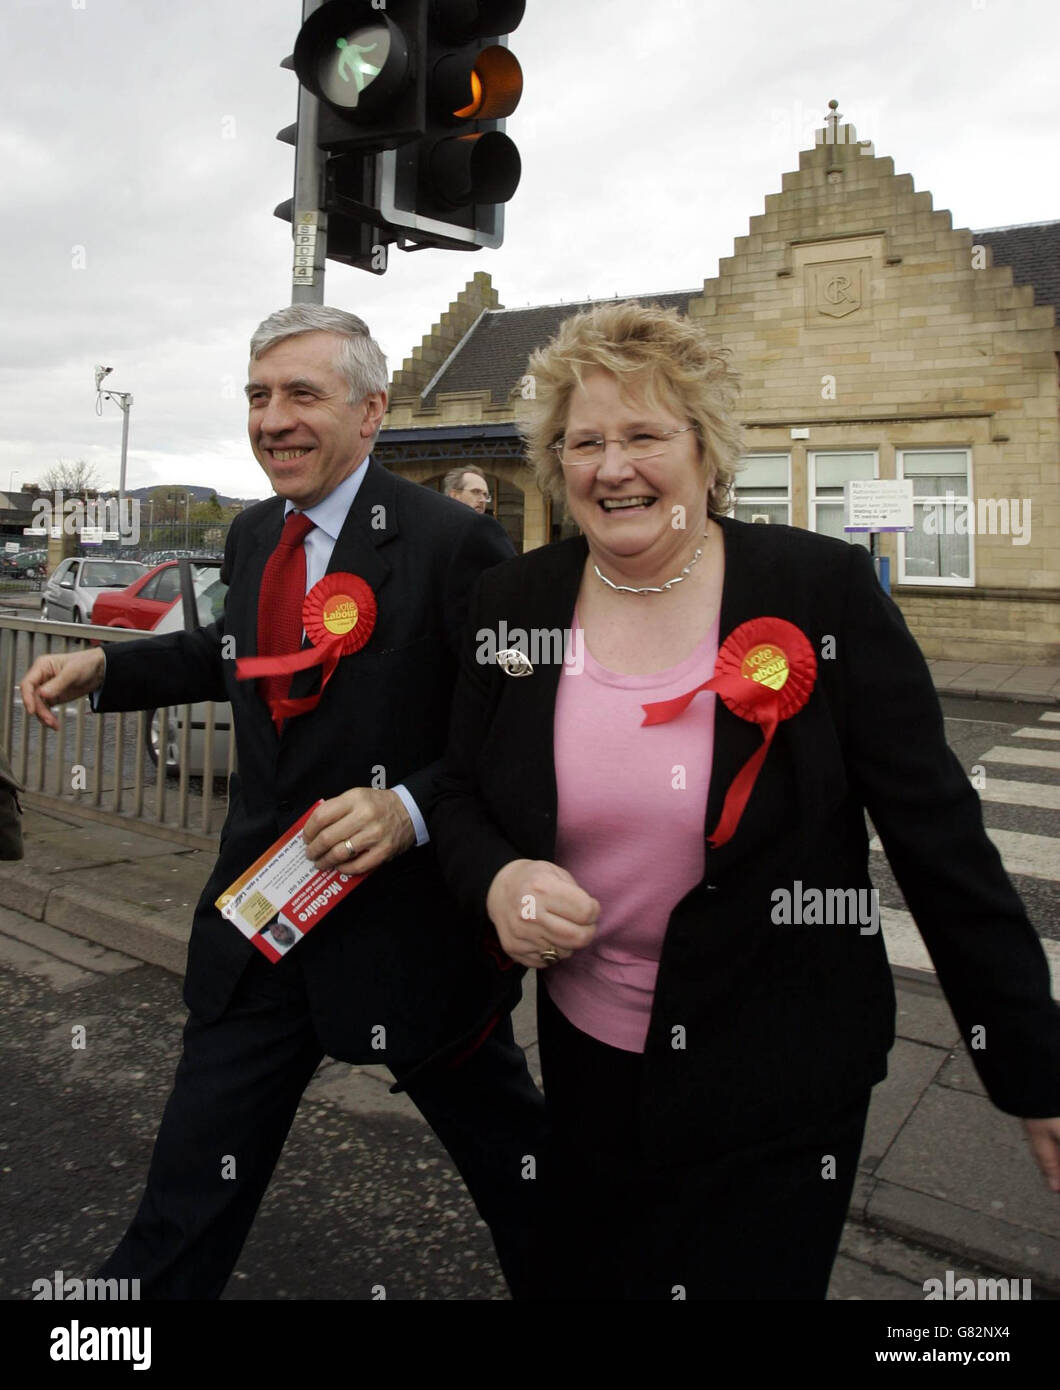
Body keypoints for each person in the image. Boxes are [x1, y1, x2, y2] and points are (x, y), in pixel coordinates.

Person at [430, 300, 1060, 1301]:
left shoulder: (822, 592)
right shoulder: (514, 603)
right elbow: (458, 791)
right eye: (583, 441)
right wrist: (500, 877)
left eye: (642, 435)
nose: (611, 465)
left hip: (783, 1071)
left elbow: (939, 841)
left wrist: (1033, 1069)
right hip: (592, 1052)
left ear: (704, 451)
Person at [20, 305, 544, 1300]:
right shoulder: (258, 530)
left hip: (410, 945)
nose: (273, 419)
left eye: (301, 393)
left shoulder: (452, 544)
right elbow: (233, 654)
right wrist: (104, 665)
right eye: (258, 396)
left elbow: (515, 732)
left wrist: (407, 812)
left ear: (371, 408)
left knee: (522, 1181)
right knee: (186, 1194)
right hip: (262, 925)